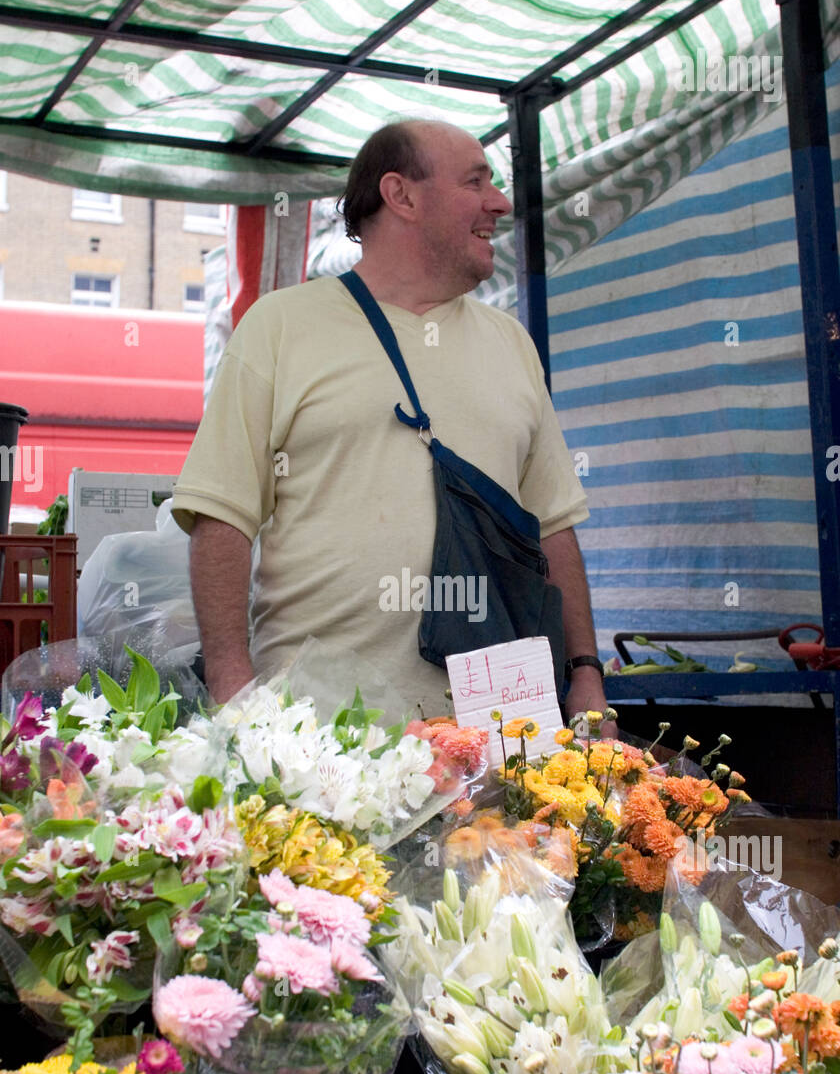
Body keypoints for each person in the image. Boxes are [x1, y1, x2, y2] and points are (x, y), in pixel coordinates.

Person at [172, 119, 608, 722]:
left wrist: (585, 675)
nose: (500, 202)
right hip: (325, 730)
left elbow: (553, 527)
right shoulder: (281, 327)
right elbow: (221, 513)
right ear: (401, 195)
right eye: (475, 181)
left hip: (501, 728)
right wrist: (231, 685)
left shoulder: (511, 343)